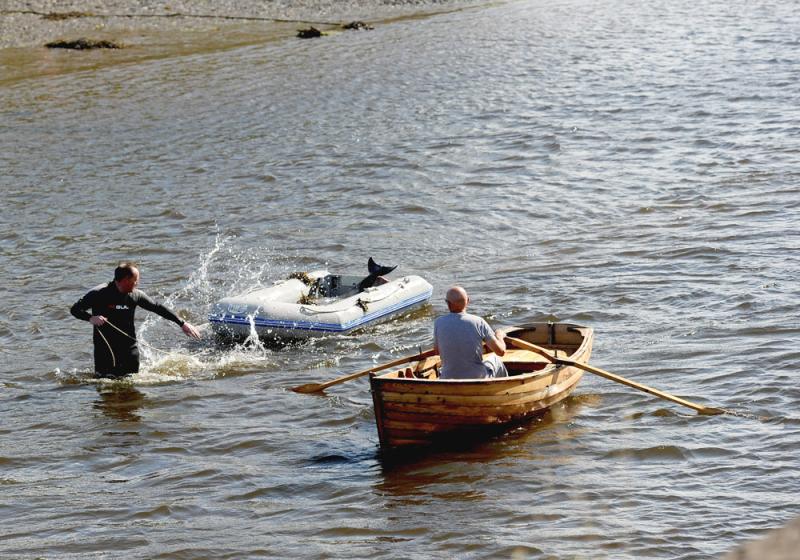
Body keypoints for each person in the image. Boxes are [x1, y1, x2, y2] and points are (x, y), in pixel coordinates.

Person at [70, 262, 201, 378]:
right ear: (126, 279)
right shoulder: (99, 293)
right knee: (106, 392)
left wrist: (182, 323)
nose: (137, 283)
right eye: (135, 280)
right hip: (105, 351)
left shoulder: (135, 295)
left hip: (129, 350)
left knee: (132, 392)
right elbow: (75, 310)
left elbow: (157, 307)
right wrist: (91, 318)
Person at [433, 285, 508, 379]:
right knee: (495, 359)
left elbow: (437, 351)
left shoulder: (438, 322)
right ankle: (505, 392)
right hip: (477, 378)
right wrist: (499, 336)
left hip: (448, 378)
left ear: (448, 304)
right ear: (468, 301)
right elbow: (501, 352)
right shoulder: (478, 321)